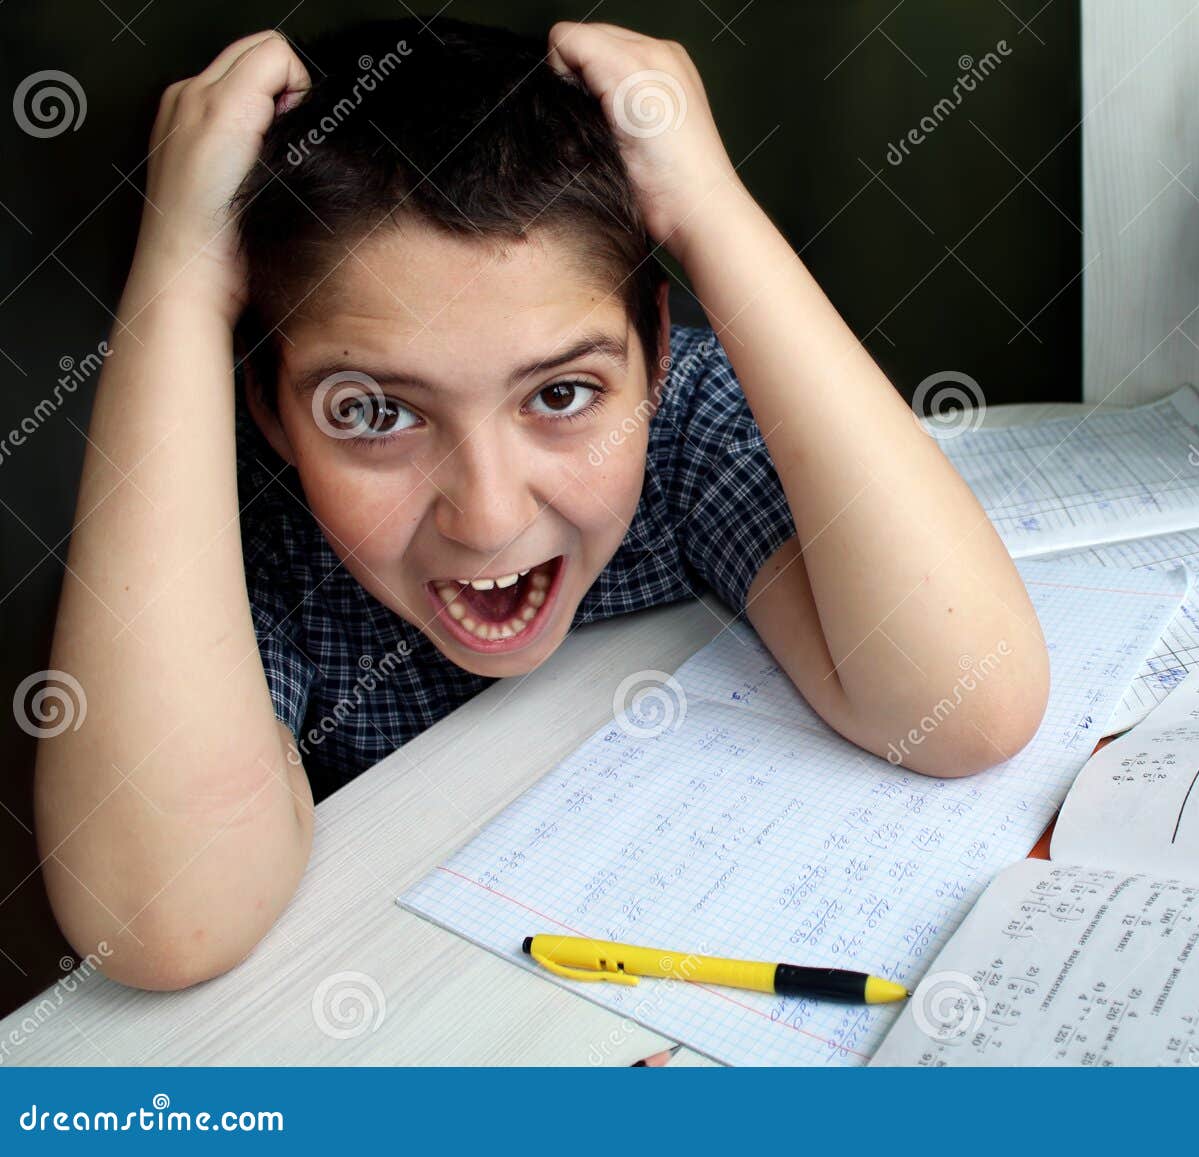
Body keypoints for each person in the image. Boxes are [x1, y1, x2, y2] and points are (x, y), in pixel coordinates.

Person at [35, 18, 1048, 990]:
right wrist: (177, 278)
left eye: (560, 395)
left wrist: (708, 207)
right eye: (376, 411)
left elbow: (965, 708)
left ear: (653, 354)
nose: (485, 513)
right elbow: (165, 918)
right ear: (266, 404)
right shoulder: (253, 535)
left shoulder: (680, 429)